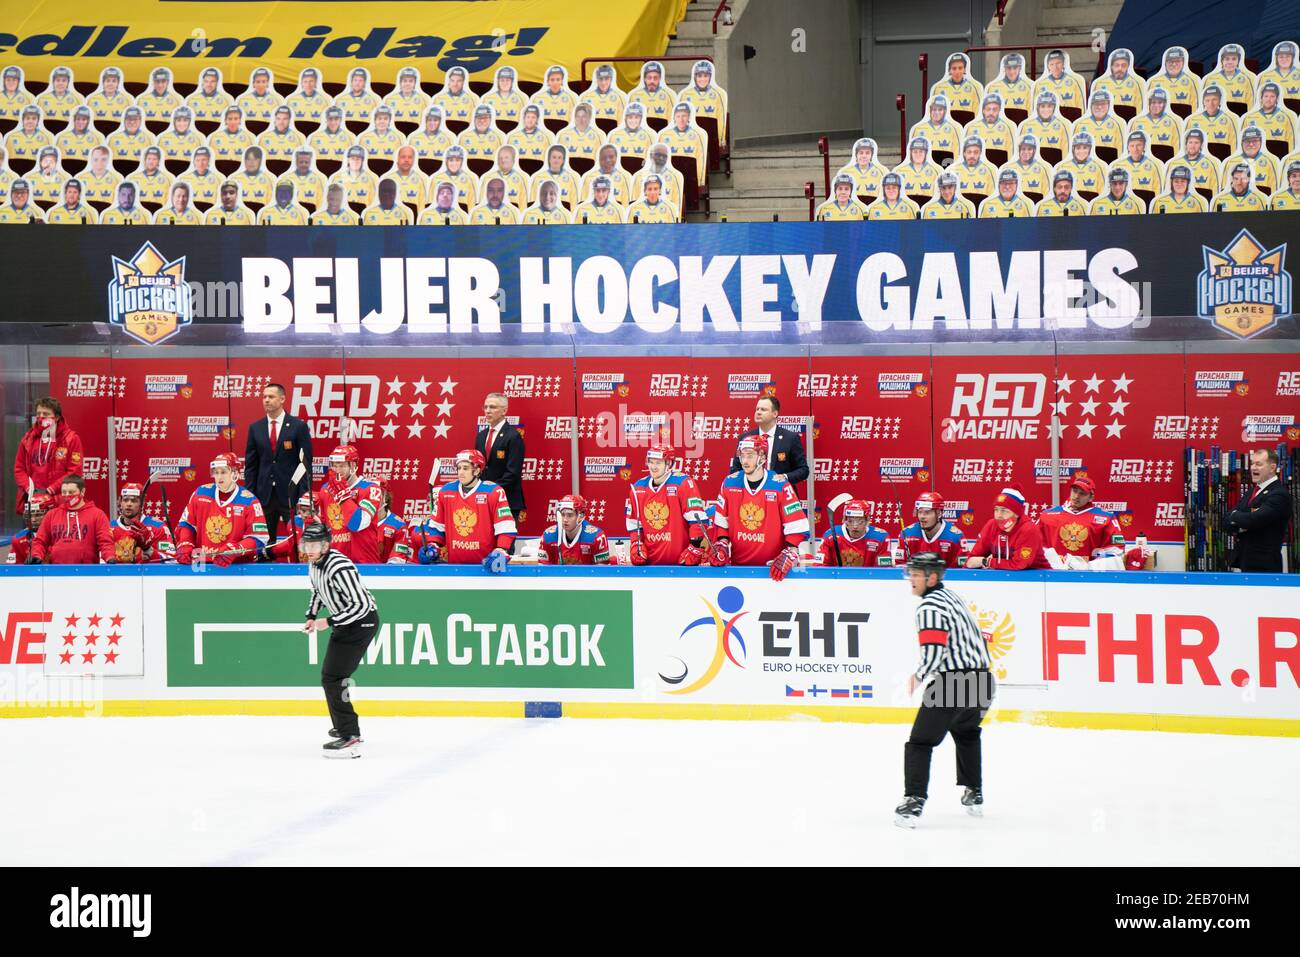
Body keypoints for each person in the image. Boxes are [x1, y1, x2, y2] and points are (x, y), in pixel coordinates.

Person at [894, 552, 995, 829]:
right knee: (967, 733)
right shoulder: (953, 597)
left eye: (916, 574)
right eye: (911, 573)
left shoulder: (929, 607)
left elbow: (934, 651)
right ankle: (974, 793)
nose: (910, 579)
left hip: (953, 683)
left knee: (919, 743)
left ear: (933, 577)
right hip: (983, 682)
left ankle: (913, 802)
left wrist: (918, 676)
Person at [301, 522, 379, 758]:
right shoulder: (313, 564)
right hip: (344, 622)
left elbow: (362, 606)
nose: (309, 549)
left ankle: (350, 734)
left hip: (361, 623)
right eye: (306, 544)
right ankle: (344, 726)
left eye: (314, 544)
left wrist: (329, 622)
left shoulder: (340, 566)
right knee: (332, 676)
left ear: (325, 545)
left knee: (333, 677)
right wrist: (312, 615)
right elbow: (317, 592)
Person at [710, 434, 810, 580]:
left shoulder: (779, 484)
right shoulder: (730, 483)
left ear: (762, 457)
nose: (744, 461)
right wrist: (722, 543)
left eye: (750, 455)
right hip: (738, 569)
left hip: (773, 570)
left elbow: (796, 526)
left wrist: (791, 552)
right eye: (742, 455)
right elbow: (721, 522)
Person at [415, 449, 516, 567]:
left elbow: (505, 525)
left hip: (487, 568)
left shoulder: (493, 492)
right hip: (455, 568)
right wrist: (433, 546)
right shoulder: (446, 491)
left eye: (465, 468)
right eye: (459, 468)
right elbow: (436, 527)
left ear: (477, 470)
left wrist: (501, 550)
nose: (461, 472)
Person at [245, 382, 313, 540]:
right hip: (264, 495)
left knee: (296, 540)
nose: (266, 400)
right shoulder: (255, 428)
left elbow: (305, 465)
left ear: (282, 399)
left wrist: (303, 496)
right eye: (264, 397)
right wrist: (249, 495)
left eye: (271, 396)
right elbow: (251, 466)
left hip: (291, 494)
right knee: (263, 541)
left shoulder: (298, 426)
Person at [175, 452, 268, 565]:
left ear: (235, 473)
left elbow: (259, 539)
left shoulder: (250, 501)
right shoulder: (200, 494)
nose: (219, 477)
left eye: (223, 472)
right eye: (216, 472)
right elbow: (186, 524)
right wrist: (185, 542)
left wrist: (237, 549)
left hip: (236, 568)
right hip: (203, 564)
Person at [625, 444, 709, 565]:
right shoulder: (638, 487)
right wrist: (636, 544)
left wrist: (695, 546)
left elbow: (698, 520)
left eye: (658, 463)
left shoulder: (683, 483)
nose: (653, 467)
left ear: (669, 464)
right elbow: (634, 524)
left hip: (681, 563)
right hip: (649, 564)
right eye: (651, 462)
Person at [1226, 449, 1292, 573]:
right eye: (1252, 463)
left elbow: (1253, 520)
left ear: (1272, 468)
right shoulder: (1252, 491)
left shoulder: (1279, 494)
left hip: (1265, 566)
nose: (1253, 467)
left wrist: (1236, 517)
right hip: (1245, 562)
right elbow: (1227, 519)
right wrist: (1241, 522)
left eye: (1259, 464)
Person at [317, 445, 386, 563]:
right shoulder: (325, 490)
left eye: (342, 465)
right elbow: (324, 526)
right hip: (337, 563)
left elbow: (357, 524)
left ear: (353, 466)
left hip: (364, 563)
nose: (337, 470)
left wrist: (343, 497)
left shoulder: (370, 488)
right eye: (334, 465)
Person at [1038, 476, 1124, 569]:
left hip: (1088, 576)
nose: (1076, 496)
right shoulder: (1047, 515)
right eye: (1074, 491)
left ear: (1091, 497)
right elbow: (1034, 543)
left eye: (1082, 493)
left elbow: (1117, 550)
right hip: (1054, 573)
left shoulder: (1107, 518)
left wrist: (1092, 566)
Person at [14, 397, 82, 515]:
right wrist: (29, 488)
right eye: (38, 413)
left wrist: (51, 489)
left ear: (56, 417)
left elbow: (75, 471)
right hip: (33, 501)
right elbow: (19, 469)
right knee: (34, 534)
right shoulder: (28, 439)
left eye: (45, 414)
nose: (41, 417)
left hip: (59, 500)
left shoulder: (71, 439)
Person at [27, 475, 115, 565]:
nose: (67, 495)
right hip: (57, 572)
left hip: (87, 572)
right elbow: (40, 540)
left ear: (82, 491)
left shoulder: (97, 514)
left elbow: (105, 541)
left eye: (71, 492)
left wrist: (110, 557)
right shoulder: (52, 515)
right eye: (64, 492)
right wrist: (36, 556)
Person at [729, 395, 809, 492]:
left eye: (763, 409)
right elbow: (736, 468)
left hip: (780, 494)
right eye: (757, 409)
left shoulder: (790, 438)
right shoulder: (745, 438)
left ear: (775, 413)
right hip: (751, 495)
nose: (758, 412)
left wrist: (784, 477)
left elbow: (803, 470)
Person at [965, 485, 1049, 570]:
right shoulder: (991, 525)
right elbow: (970, 561)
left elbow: (1018, 565)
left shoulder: (1029, 530)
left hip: (1039, 579)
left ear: (1016, 513)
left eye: (1004, 511)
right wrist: (984, 561)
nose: (999, 515)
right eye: (996, 510)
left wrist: (988, 562)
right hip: (1004, 578)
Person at [476, 392, 525, 522]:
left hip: (507, 500)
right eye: (485, 407)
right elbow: (478, 467)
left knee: (506, 542)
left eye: (492, 407)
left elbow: (513, 472)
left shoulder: (513, 436)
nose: (487, 411)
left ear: (504, 411)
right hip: (483, 500)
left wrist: (493, 488)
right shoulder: (481, 436)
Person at [110, 482, 175, 563]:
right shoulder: (109, 528)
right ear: (120, 501)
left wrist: (148, 549)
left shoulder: (158, 528)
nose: (129, 504)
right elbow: (99, 560)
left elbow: (172, 560)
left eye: (134, 501)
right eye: (125, 500)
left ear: (142, 502)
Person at [538, 494, 611, 564]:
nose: (565, 519)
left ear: (581, 516)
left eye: (570, 515)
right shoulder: (548, 536)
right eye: (562, 515)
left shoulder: (596, 537)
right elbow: (543, 570)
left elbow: (601, 571)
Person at [899, 491, 966, 567]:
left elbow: (962, 571)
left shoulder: (955, 537)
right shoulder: (907, 534)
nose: (922, 516)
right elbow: (899, 567)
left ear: (939, 513)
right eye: (920, 512)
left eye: (927, 513)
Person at [818, 498, 891, 566]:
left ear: (867, 520)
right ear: (844, 520)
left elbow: (885, 570)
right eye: (850, 521)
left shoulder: (881, 538)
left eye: (860, 521)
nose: (855, 526)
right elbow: (819, 567)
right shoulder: (830, 535)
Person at [264, 492, 321, 563]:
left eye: (310, 511)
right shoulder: (294, 522)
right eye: (303, 510)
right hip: (297, 562)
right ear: (299, 509)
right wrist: (269, 551)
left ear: (317, 510)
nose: (306, 515)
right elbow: (291, 545)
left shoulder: (323, 523)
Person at [7, 491, 53, 564]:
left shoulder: (59, 535)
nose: (33, 520)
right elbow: (11, 570)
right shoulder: (18, 539)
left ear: (50, 514)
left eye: (38, 515)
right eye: (30, 515)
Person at [375, 485, 411, 564]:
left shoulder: (398, 526)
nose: (373, 498)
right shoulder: (357, 523)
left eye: (377, 493)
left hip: (385, 574)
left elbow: (397, 560)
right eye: (369, 494)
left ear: (386, 497)